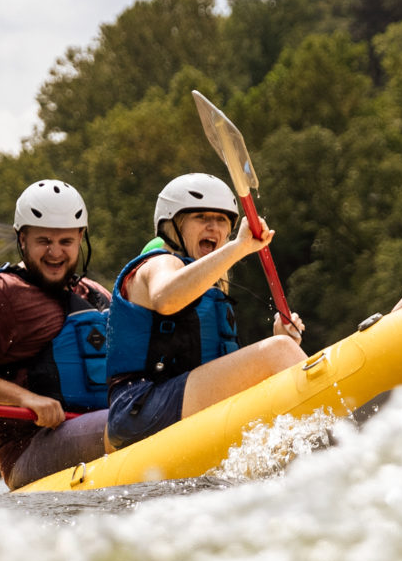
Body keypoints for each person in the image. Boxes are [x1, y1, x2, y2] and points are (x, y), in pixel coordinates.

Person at [0, 179, 112, 489]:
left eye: (66, 242)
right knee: (135, 423)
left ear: (81, 237)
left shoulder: (93, 294)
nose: (55, 253)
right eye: (44, 241)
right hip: (32, 450)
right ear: (22, 238)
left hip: (96, 430)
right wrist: (25, 398)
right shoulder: (0, 295)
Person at [106, 172, 305, 449]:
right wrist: (240, 247)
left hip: (179, 404)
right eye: (201, 217)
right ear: (173, 226)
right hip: (140, 407)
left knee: (281, 347)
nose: (213, 227)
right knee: (278, 352)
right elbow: (166, 298)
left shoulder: (211, 286)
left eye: (221, 220)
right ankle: (339, 436)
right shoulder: (158, 263)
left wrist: (279, 334)